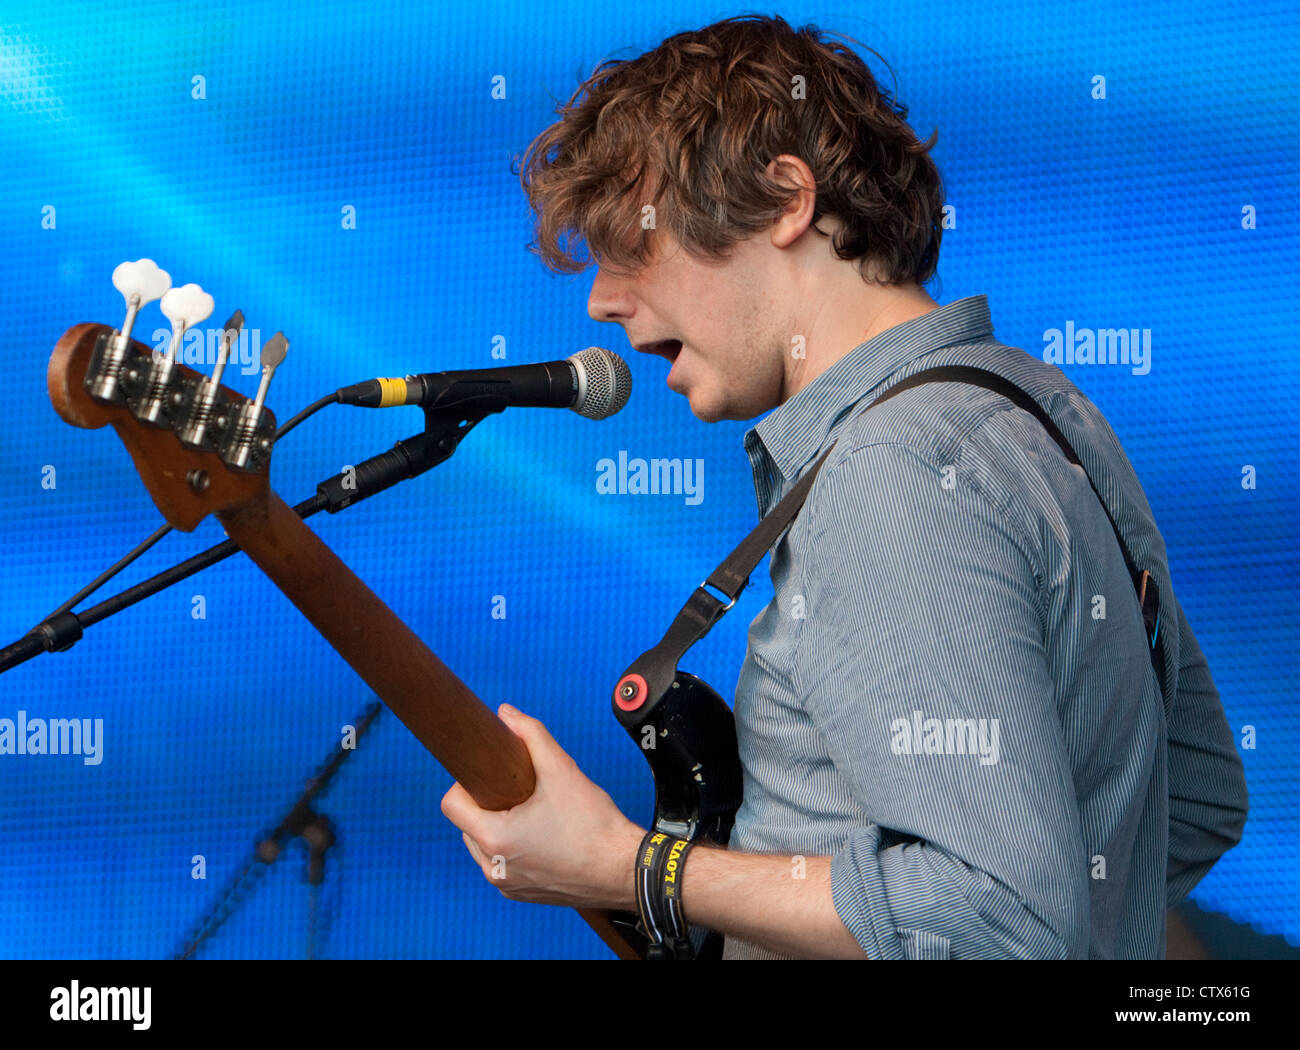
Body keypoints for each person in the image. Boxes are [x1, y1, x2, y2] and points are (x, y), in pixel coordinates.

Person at [440, 13, 1248, 959]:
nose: (601, 300)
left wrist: (630, 867)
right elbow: (1194, 796)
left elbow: (1008, 924)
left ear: (785, 199)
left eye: (633, 240)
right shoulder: (1042, 406)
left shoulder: (893, 471)